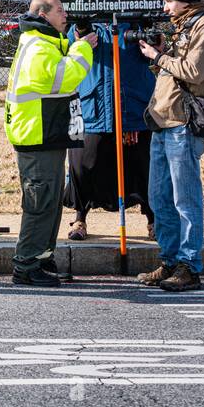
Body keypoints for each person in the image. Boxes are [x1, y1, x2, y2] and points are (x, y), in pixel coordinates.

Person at [136, 0, 204, 293]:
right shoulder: (184, 26)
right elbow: (176, 69)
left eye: (169, 0)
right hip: (162, 122)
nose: (165, 7)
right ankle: (170, 260)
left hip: (184, 124)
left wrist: (158, 56)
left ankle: (189, 266)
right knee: (159, 198)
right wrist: (162, 54)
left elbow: (196, 71)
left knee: (185, 200)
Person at [4, 0, 96, 286]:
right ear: (44, 15)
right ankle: (26, 265)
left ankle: (42, 258)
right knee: (40, 203)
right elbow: (66, 76)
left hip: (46, 135)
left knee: (51, 202)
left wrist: (76, 41)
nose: (65, 14)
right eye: (60, 10)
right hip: (37, 136)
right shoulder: (38, 48)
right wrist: (83, 49)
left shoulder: (44, 41)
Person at [64, 20, 155, 241]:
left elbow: (152, 51)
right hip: (91, 108)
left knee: (143, 165)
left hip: (133, 108)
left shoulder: (138, 17)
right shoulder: (82, 23)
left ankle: (153, 220)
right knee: (83, 164)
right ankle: (79, 218)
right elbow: (66, 54)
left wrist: (156, 42)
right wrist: (78, 41)